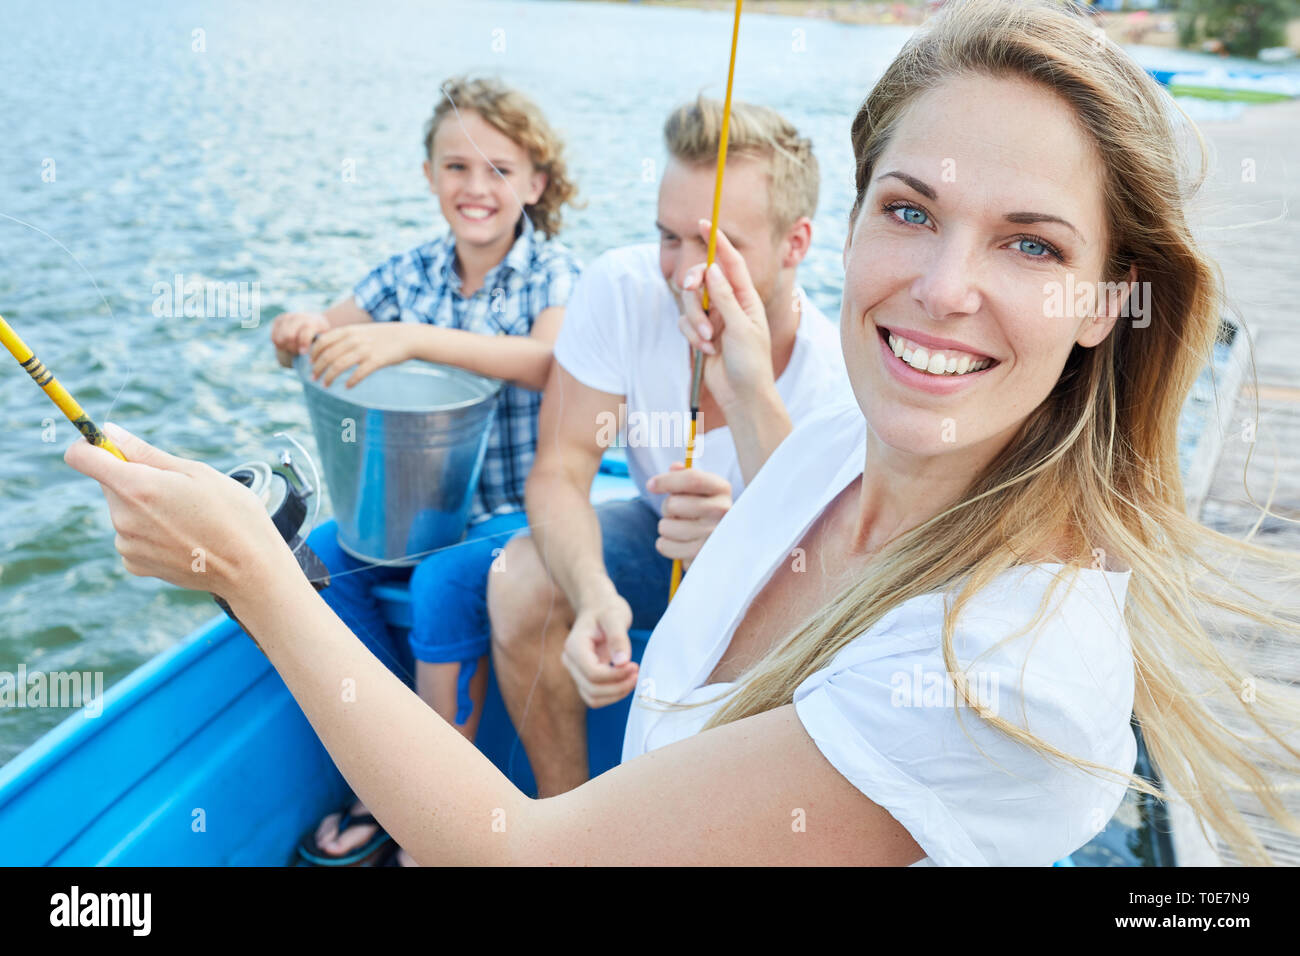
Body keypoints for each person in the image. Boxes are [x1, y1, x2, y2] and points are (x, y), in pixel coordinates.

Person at [67, 0, 1300, 865]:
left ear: (1106, 301)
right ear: (857, 223)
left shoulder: (1006, 668)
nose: (941, 287)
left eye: (1030, 242)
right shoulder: (835, 437)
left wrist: (252, 570)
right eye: (911, 210)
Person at [486, 96, 854, 797]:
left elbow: (831, 582)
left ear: (797, 243)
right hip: (653, 538)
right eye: (668, 237)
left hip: (776, 590)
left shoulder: (839, 379)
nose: (684, 272)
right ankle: (568, 829)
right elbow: (561, 472)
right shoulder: (619, 290)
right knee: (519, 577)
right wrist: (595, 597)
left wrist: (740, 541)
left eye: (716, 248)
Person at [269, 76, 582, 864]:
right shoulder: (409, 271)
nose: (476, 188)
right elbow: (327, 330)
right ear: (428, 176)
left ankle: (433, 812)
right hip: (410, 508)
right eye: (456, 167)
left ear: (535, 183)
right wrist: (299, 330)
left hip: (517, 510)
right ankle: (386, 762)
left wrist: (414, 339)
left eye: (500, 170)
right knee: (315, 564)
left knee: (445, 581)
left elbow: (547, 362)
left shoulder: (553, 275)